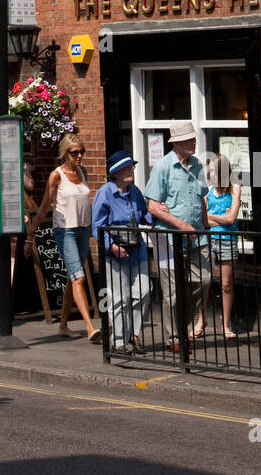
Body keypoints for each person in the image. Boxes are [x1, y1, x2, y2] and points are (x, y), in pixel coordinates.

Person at [26, 132, 100, 342]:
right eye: (75, 152)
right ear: (65, 153)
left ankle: (63, 325)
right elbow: (43, 208)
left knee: (71, 277)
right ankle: (89, 327)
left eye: (81, 152)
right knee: (79, 277)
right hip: (65, 231)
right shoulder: (56, 175)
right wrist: (30, 236)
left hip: (83, 230)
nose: (79, 156)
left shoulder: (83, 171)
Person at [144, 120, 211, 353]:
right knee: (171, 292)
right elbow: (152, 206)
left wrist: (205, 228)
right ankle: (174, 338)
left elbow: (202, 198)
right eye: (191, 139)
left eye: (194, 138)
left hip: (197, 237)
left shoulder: (197, 165)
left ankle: (182, 324)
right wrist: (181, 224)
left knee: (204, 280)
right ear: (178, 143)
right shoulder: (163, 167)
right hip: (169, 238)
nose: (195, 141)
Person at [91, 151, 153, 359]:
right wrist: (111, 247)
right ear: (115, 172)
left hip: (138, 250)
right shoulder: (105, 193)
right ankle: (119, 342)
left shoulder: (134, 191)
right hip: (116, 252)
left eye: (131, 167)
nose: (130, 171)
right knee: (120, 297)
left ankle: (132, 335)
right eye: (126, 168)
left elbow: (145, 215)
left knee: (144, 290)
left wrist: (157, 211)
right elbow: (97, 227)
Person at [201, 153, 242, 339]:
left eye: (213, 171)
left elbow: (232, 218)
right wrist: (222, 219)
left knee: (226, 284)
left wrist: (212, 219)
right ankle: (201, 320)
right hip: (208, 240)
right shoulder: (207, 191)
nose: (211, 175)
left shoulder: (235, 188)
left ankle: (226, 325)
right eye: (209, 171)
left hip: (228, 240)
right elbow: (203, 220)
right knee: (204, 282)